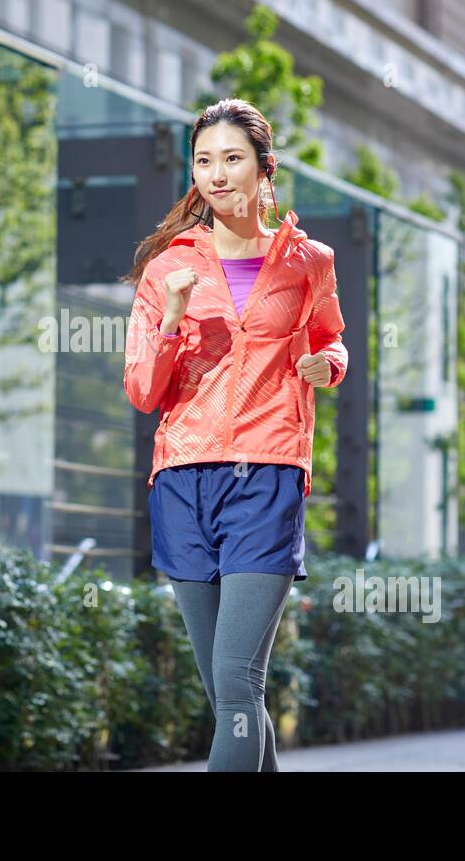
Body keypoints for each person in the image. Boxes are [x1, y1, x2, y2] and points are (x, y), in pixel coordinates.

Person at [120, 98, 348, 771]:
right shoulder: (168, 269)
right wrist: (173, 316)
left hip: (266, 474)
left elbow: (334, 344)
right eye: (204, 160)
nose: (217, 174)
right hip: (183, 482)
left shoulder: (310, 261)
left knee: (238, 681)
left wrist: (324, 366)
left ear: (263, 168)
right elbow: (141, 389)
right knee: (229, 695)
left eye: (232, 159)